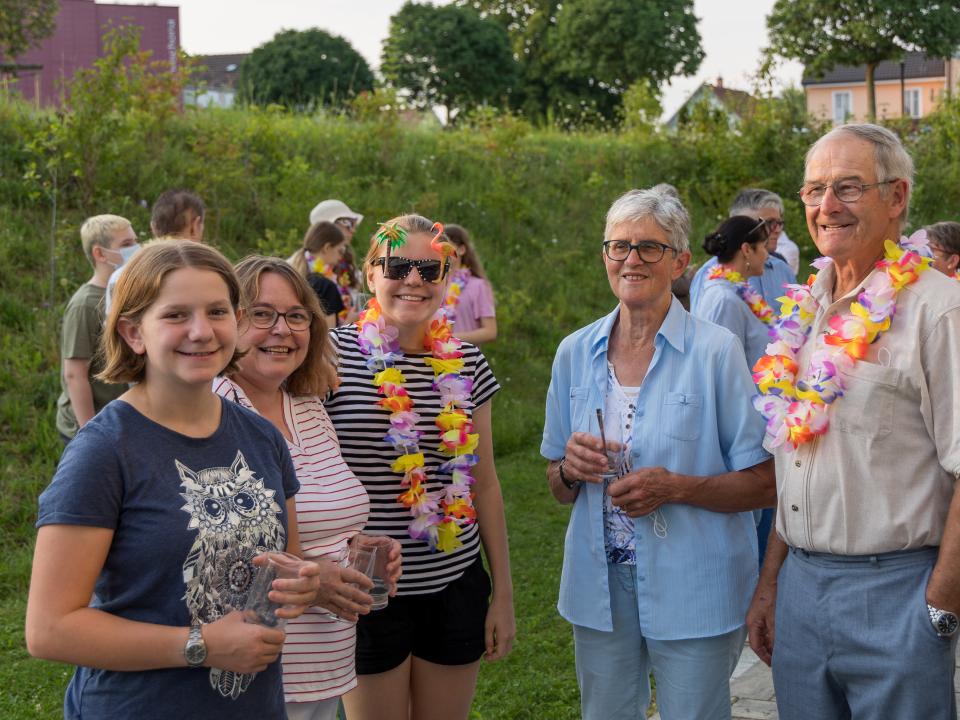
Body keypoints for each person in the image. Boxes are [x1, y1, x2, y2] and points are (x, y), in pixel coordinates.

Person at [26, 240, 328, 718]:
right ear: (134, 332)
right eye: (175, 315)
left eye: (217, 311)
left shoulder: (260, 437)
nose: (201, 331)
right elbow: (49, 630)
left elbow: (286, 560)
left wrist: (303, 583)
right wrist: (201, 645)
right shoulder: (105, 451)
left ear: (237, 321)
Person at [746, 123, 960, 719]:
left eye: (848, 187)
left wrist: (940, 607)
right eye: (814, 190)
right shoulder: (805, 307)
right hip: (800, 589)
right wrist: (771, 585)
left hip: (897, 594)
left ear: (896, 197)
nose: (827, 206)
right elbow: (798, 464)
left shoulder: (941, 311)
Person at [541, 187, 774, 720]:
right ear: (605, 255)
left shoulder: (716, 351)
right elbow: (556, 483)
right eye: (619, 246)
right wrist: (570, 470)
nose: (631, 259)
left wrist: (677, 488)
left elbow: (766, 482)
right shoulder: (574, 352)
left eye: (649, 247)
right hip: (600, 588)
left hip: (695, 584)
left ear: (680, 261)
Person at [324, 215, 515, 720]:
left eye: (430, 270)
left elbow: (485, 484)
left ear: (446, 279)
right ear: (371, 273)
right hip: (366, 590)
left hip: (454, 582)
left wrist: (503, 595)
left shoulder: (468, 363)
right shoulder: (329, 357)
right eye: (397, 266)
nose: (413, 280)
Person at [214, 256, 401, 720]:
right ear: (228, 321)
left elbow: (318, 518)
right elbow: (214, 555)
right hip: (261, 667)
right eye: (262, 314)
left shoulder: (306, 405)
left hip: (326, 662)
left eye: (296, 316)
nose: (282, 329)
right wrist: (314, 581)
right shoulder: (217, 410)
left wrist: (356, 546)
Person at [56, 214, 138, 444]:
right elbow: (74, 374)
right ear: (100, 254)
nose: (135, 249)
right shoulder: (85, 305)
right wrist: (90, 435)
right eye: (126, 244)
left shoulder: (127, 294)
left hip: (123, 421)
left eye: (135, 241)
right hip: (95, 426)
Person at [690, 188, 797, 310]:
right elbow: (701, 321)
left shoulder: (783, 269)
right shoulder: (709, 274)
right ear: (738, 225)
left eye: (779, 223)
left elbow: (797, 316)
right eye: (768, 223)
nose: (777, 230)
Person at [105, 188, 206, 312]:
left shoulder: (121, 275)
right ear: (195, 226)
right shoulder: (207, 274)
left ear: (153, 227)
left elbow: (110, 321)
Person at [692, 215, 773, 367]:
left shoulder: (734, 293)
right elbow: (723, 369)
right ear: (747, 249)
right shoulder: (726, 300)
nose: (767, 255)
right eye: (763, 246)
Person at [440, 224, 497, 344]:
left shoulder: (478, 286)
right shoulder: (433, 283)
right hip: (433, 355)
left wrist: (451, 339)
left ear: (461, 249)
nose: (444, 252)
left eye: (448, 247)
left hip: (466, 355)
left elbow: (490, 331)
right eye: (441, 248)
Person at [288, 221, 353, 327]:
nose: (341, 256)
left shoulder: (293, 277)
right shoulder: (326, 286)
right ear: (327, 248)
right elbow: (328, 335)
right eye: (340, 250)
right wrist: (350, 322)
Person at [309, 199, 365, 314]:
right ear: (330, 226)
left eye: (354, 224)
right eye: (348, 224)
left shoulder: (349, 265)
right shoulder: (300, 265)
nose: (353, 230)